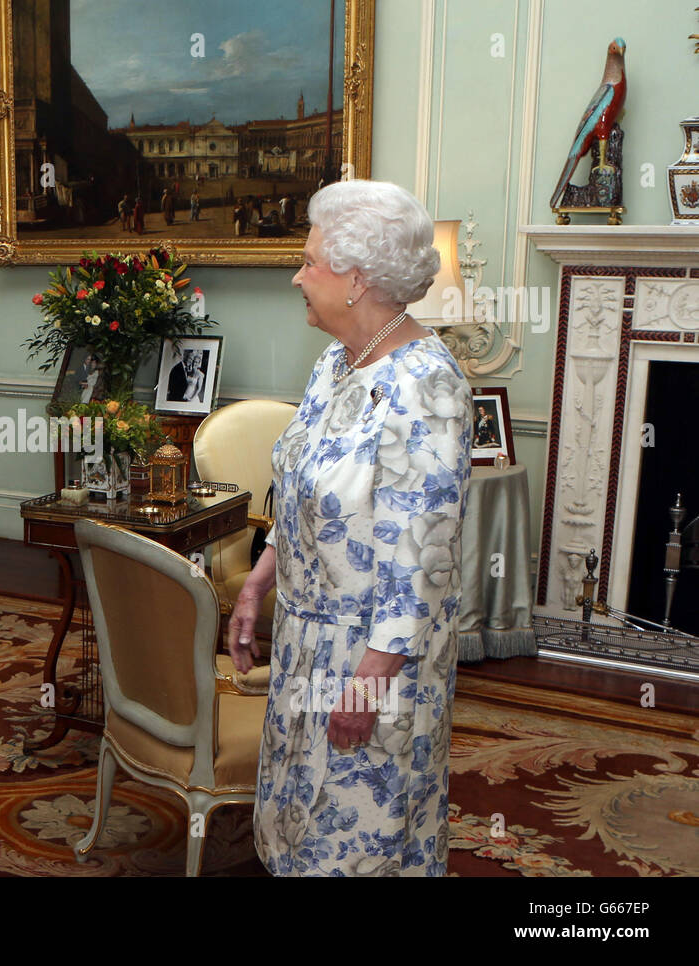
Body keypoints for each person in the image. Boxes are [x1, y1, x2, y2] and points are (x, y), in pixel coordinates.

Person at [228, 179, 472, 877]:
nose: (298, 276)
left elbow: (423, 562)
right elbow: (300, 486)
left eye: (311, 262)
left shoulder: (427, 388)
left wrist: (367, 684)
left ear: (357, 279)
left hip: (372, 657)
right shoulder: (339, 363)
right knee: (297, 825)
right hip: (306, 641)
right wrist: (259, 580)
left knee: (360, 835)